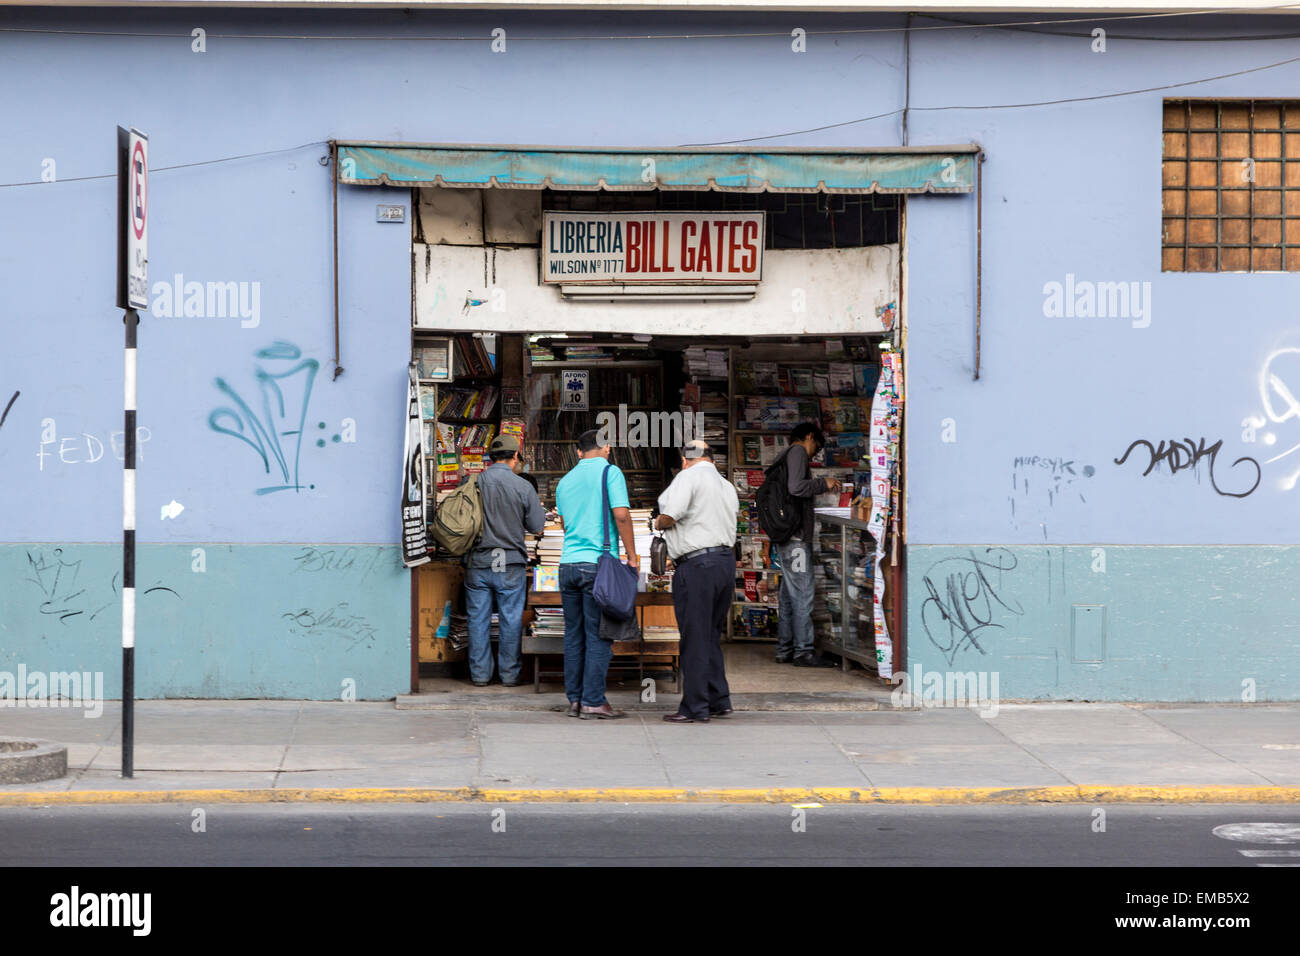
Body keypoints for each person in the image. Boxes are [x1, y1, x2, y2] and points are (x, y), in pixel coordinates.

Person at [555, 428, 640, 719]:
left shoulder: (564, 481)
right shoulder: (611, 473)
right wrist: (631, 554)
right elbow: (622, 515)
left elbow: (566, 526)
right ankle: (593, 700)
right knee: (599, 635)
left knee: (573, 635)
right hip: (598, 567)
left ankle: (575, 699)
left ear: (578, 452)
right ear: (607, 448)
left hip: (567, 566)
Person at [653, 440, 740, 723]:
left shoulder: (688, 477)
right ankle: (719, 699)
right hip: (725, 563)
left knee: (694, 636)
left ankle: (694, 707)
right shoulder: (726, 485)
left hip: (698, 566)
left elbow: (669, 516)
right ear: (711, 458)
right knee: (710, 634)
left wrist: (655, 523)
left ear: (685, 459)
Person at [464, 434, 545, 686]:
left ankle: (479, 675)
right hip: (509, 563)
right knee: (510, 619)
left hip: (478, 561)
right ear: (516, 457)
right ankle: (509, 675)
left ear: (490, 457)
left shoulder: (472, 481)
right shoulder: (523, 486)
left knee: (478, 619)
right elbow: (536, 526)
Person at [774, 422, 841, 667]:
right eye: (817, 447)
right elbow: (796, 487)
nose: (814, 454)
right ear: (810, 437)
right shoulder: (798, 452)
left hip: (787, 539)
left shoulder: (784, 455)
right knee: (803, 594)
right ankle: (803, 651)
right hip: (796, 541)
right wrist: (825, 483)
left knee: (789, 597)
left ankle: (785, 648)